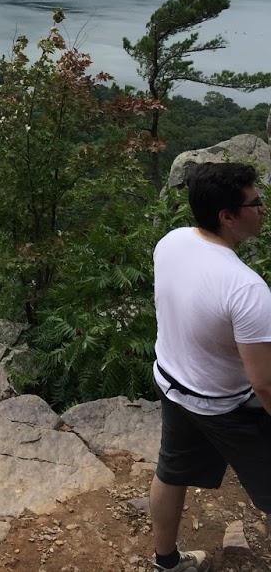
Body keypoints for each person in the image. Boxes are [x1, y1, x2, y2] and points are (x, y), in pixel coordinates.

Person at [147, 162, 271, 572]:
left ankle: (166, 563)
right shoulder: (246, 288)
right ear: (227, 216)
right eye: (255, 203)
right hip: (224, 406)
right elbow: (265, 384)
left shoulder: (173, 240)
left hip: (173, 384)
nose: (263, 208)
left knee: (171, 471)